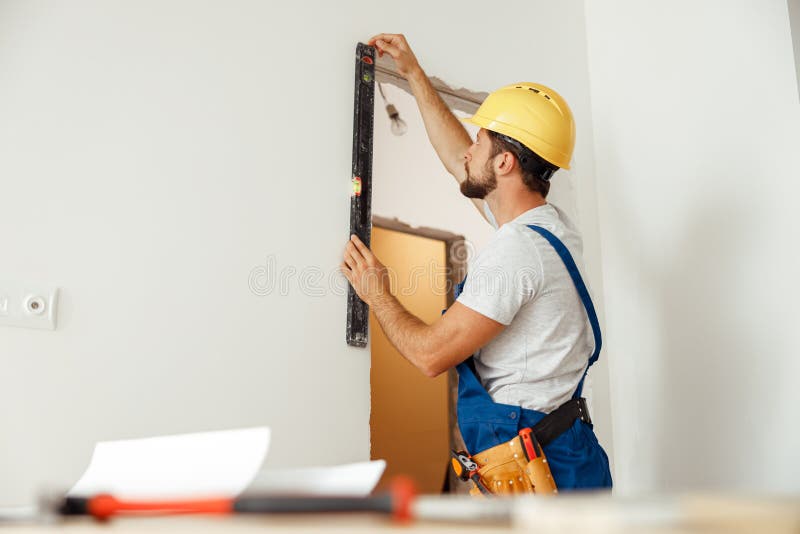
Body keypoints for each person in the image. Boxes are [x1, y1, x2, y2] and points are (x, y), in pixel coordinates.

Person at [341, 33, 611, 491]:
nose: (469, 150)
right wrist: (413, 73)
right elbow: (457, 160)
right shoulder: (547, 228)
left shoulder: (518, 252)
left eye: (480, 142)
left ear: (504, 163)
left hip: (547, 472)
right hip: (554, 458)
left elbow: (430, 355)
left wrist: (377, 293)